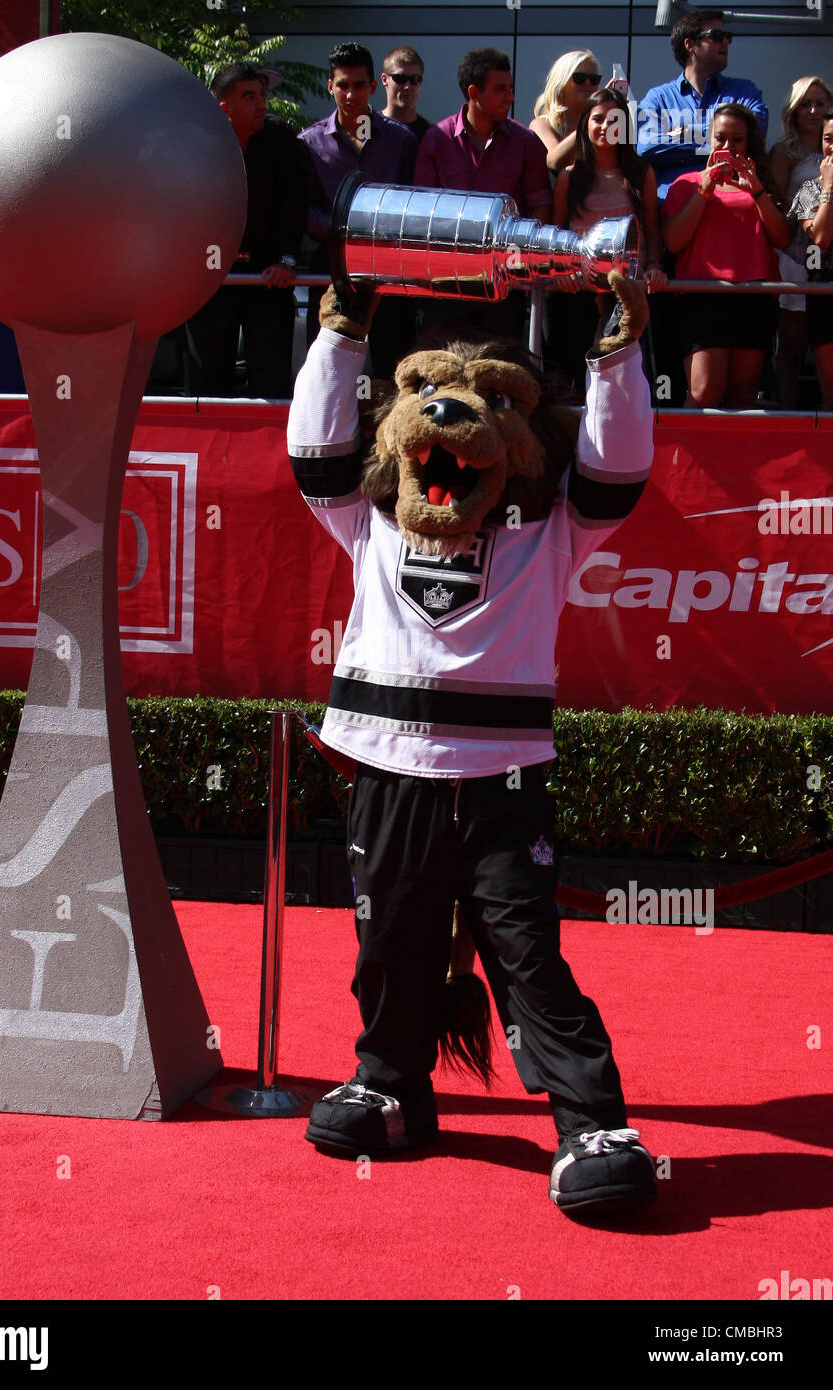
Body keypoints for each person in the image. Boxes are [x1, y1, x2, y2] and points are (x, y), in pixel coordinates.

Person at [287, 261, 658, 1218]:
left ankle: (591, 1123)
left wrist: (616, 354)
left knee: (526, 951)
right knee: (391, 941)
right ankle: (394, 1085)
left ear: (525, 437)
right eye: (432, 396)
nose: (454, 419)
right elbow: (314, 451)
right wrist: (343, 329)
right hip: (391, 771)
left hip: (503, 781)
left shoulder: (551, 532)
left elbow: (617, 469)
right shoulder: (368, 522)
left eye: (494, 402)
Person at [185, 62, 306, 398]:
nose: (262, 103)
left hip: (268, 278)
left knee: (272, 384)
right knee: (206, 387)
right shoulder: (195, 143)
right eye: (250, 97)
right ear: (226, 108)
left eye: (262, 95)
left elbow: (294, 205)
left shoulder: (280, 138)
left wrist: (286, 259)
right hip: (209, 281)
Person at [415, 47, 551, 339]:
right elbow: (422, 215)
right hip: (447, 285)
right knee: (440, 374)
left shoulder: (526, 143)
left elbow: (540, 209)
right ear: (474, 92)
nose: (511, 97)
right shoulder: (436, 140)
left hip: (504, 288)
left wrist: (523, 265)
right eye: (501, 89)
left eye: (510, 88)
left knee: (501, 373)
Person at [299, 42, 417, 377]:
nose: (351, 94)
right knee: (327, 369)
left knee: (394, 369)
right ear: (330, 86)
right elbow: (303, 210)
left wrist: (376, 236)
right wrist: (344, 232)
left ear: (373, 85)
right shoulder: (309, 142)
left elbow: (413, 203)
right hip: (333, 268)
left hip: (389, 266)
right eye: (343, 85)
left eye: (359, 85)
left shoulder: (401, 141)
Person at [662, 103, 790, 408]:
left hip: (754, 295)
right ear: (709, 140)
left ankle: (734, 458)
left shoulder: (761, 184)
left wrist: (758, 192)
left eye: (737, 139)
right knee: (704, 392)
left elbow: (783, 239)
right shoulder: (687, 184)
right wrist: (704, 191)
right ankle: (687, 457)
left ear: (749, 143)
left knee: (743, 397)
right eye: (720, 138)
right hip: (701, 296)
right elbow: (673, 242)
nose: (727, 147)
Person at [549, 88, 667, 395]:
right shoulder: (568, 177)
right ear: (585, 124)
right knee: (574, 381)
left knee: (620, 384)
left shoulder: (641, 173)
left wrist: (654, 265)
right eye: (597, 118)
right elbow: (557, 234)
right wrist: (560, 273)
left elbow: (652, 230)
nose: (605, 126)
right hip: (577, 293)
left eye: (613, 119)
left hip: (627, 293)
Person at [637, 10, 768, 201]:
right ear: (690, 44)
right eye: (716, 36)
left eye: (727, 37)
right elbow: (646, 146)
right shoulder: (659, 98)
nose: (725, 42)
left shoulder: (745, 91)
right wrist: (718, 138)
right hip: (674, 208)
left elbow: (756, 130)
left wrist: (684, 131)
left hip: (731, 204)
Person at [768, 77, 833, 408]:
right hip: (796, 251)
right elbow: (775, 201)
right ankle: (787, 412)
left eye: (820, 103)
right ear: (793, 109)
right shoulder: (784, 150)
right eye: (806, 103)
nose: (813, 110)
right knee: (792, 343)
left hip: (828, 258)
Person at [789, 114, 833, 410]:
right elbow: (821, 237)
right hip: (825, 291)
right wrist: (829, 186)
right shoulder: (810, 190)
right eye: (829, 139)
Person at [530, 49, 602, 174]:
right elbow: (554, 161)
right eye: (579, 78)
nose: (588, 83)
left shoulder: (601, 126)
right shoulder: (542, 124)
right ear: (561, 82)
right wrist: (589, 121)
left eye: (594, 79)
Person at [380, 45, 430, 143]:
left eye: (414, 79)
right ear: (385, 79)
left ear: (420, 81)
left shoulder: (430, 134)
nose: (407, 86)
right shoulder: (368, 128)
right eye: (400, 78)